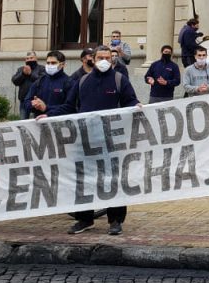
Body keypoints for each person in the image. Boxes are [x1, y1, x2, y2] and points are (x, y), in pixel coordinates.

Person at [43, 45, 142, 235]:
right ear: (92, 60)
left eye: (107, 57)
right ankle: (84, 219)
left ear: (112, 60)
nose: (103, 61)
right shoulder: (82, 82)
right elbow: (69, 107)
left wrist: (137, 105)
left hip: (112, 140)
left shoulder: (120, 80)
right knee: (84, 179)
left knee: (113, 180)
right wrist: (48, 115)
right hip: (85, 140)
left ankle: (115, 220)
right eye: (99, 57)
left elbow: (130, 101)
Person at [24, 51, 73, 119]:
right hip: (39, 122)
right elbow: (26, 101)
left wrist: (46, 108)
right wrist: (34, 105)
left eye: (53, 63)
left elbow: (70, 107)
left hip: (59, 123)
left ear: (63, 64)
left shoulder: (69, 82)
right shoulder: (40, 81)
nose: (50, 65)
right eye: (48, 63)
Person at [12, 51, 45, 120]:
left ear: (36, 59)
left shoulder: (42, 68)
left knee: (37, 121)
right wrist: (23, 74)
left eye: (31, 58)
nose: (29, 60)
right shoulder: (21, 69)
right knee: (23, 121)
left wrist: (30, 74)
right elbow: (15, 81)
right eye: (27, 58)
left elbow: (42, 81)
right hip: (24, 100)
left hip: (37, 100)